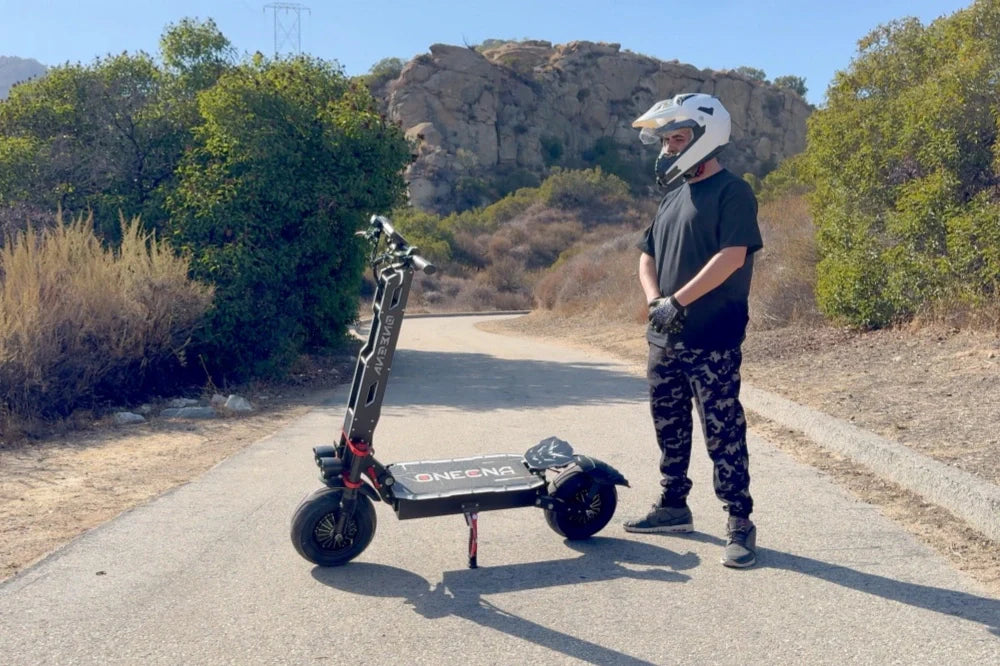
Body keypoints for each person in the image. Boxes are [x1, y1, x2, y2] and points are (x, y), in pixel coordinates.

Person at [622, 93, 763, 569]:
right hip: (664, 339)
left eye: (677, 139)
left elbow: (732, 256)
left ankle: (739, 520)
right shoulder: (671, 198)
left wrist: (678, 301)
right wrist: (655, 302)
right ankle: (673, 506)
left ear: (706, 137)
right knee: (669, 426)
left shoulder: (733, 192)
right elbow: (647, 256)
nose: (668, 149)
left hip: (712, 339)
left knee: (723, 433)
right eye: (665, 141)